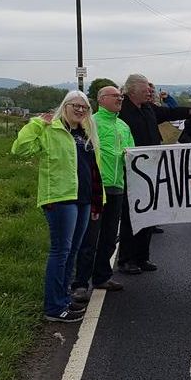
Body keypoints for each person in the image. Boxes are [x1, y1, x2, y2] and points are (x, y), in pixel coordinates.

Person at [11, 90, 103, 323]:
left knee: (72, 251)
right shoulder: (50, 130)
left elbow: (92, 167)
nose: (81, 110)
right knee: (61, 251)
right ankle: (53, 307)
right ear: (65, 106)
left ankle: (63, 299)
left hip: (82, 198)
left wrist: (97, 198)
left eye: (85, 107)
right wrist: (37, 123)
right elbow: (20, 149)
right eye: (76, 105)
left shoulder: (86, 133)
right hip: (59, 198)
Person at [115, 73, 191, 272]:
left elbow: (169, 114)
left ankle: (142, 257)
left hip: (152, 168)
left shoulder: (148, 108)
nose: (149, 93)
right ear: (133, 90)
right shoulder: (122, 111)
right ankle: (126, 259)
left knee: (149, 213)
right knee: (131, 215)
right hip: (132, 169)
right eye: (146, 90)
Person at [71, 85, 134, 302]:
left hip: (117, 187)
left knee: (109, 237)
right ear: (101, 99)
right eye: (115, 96)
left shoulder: (124, 125)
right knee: (90, 236)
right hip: (97, 188)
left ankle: (102, 276)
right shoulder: (91, 122)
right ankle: (79, 283)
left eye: (121, 96)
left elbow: (133, 154)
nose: (120, 99)